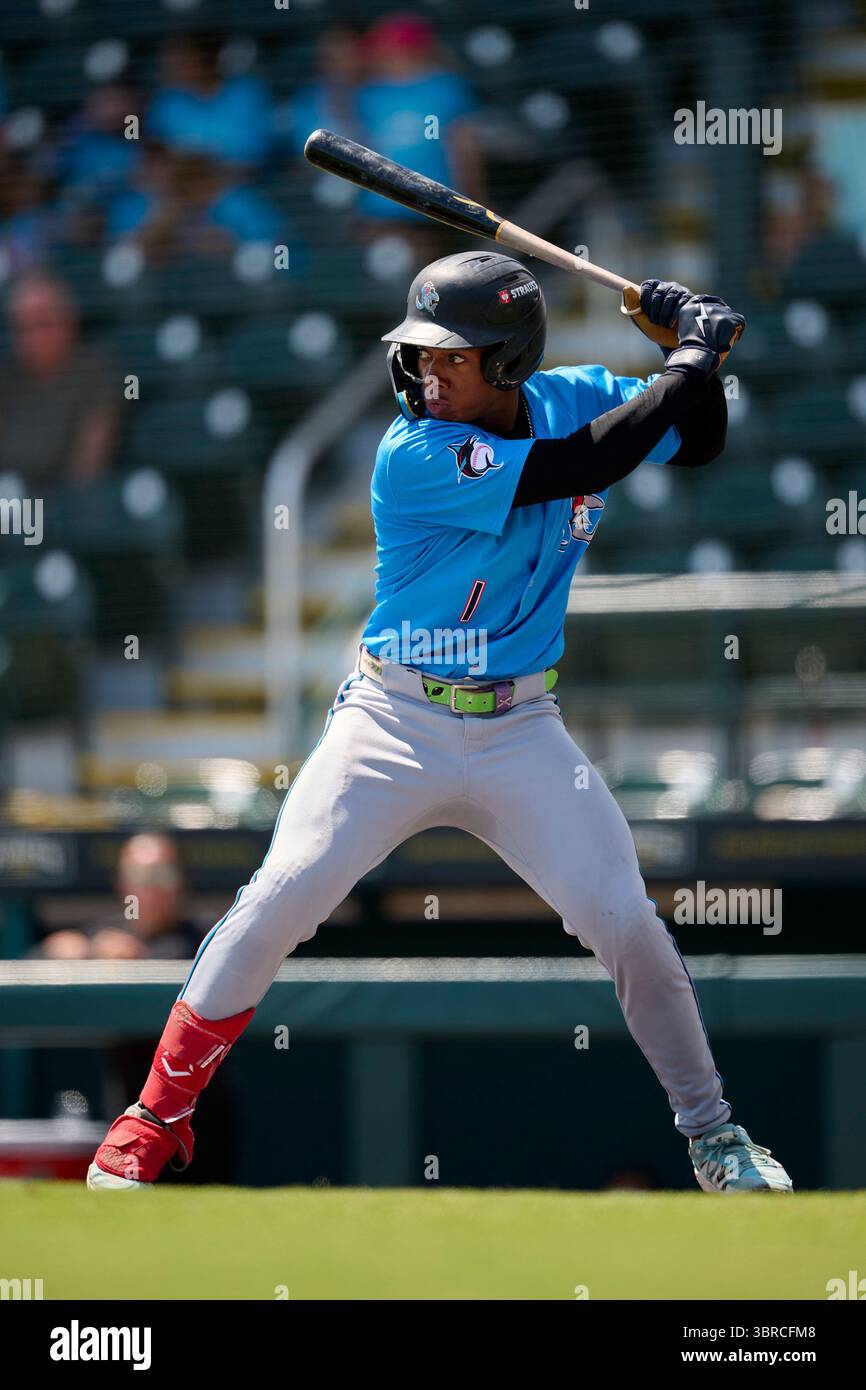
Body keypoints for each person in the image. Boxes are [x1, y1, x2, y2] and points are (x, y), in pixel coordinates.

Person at [87, 251, 793, 1195]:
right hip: (395, 716)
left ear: (507, 362)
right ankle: (154, 1119)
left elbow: (693, 440)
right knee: (279, 893)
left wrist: (689, 353)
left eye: (451, 357)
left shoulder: (578, 394)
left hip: (521, 724)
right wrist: (693, 356)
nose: (427, 372)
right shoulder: (411, 452)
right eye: (418, 354)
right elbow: (589, 461)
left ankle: (713, 1135)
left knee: (628, 923)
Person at [0, 272, 119, 488]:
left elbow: (88, 467)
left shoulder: (96, 372)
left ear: (68, 320)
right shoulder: (7, 376)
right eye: (22, 326)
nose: (32, 337)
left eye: (42, 321)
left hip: (63, 506)